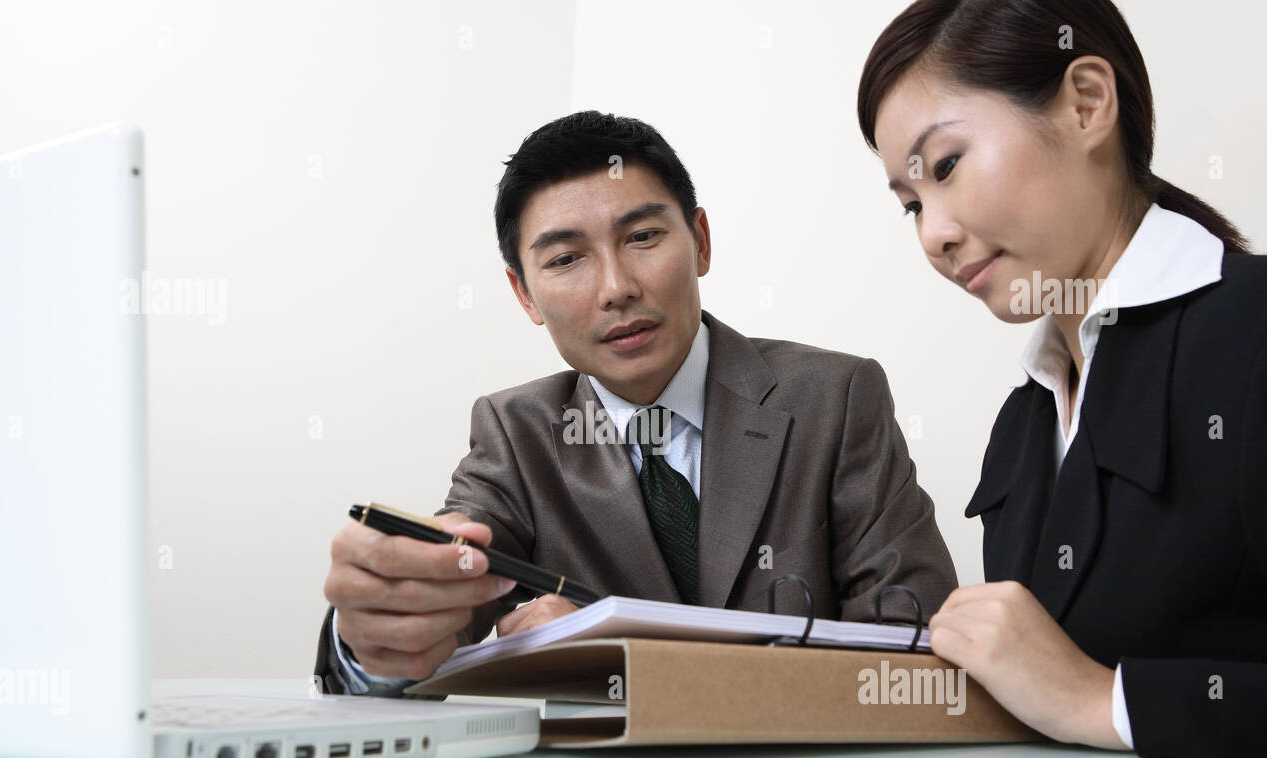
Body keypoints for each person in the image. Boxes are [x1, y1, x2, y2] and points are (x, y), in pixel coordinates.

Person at [314, 111, 957, 695]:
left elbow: (915, 653)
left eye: (643, 237)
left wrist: (636, 660)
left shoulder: (835, 398)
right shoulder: (516, 434)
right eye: (566, 259)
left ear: (700, 241)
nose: (617, 289)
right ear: (525, 295)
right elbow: (439, 606)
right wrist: (382, 629)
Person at [858, 0, 1266, 758]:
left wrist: (1099, 698)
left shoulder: (1253, 334)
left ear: (1087, 103)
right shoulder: (1023, 422)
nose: (932, 234)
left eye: (945, 166)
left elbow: (1071, 697)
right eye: (911, 204)